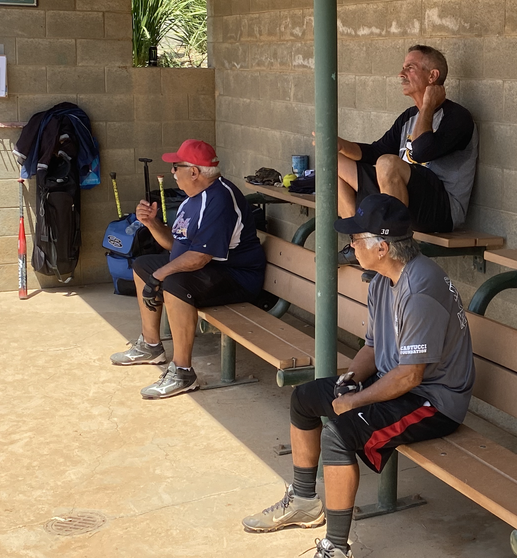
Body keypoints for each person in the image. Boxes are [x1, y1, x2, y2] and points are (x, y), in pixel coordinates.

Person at [242, 194, 475, 558]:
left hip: (432, 401)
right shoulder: (384, 278)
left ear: (382, 247)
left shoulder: (420, 290)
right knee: (305, 399)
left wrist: (356, 399)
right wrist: (351, 377)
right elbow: (371, 346)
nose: (350, 245)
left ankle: (335, 548)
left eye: (357, 239)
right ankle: (304, 500)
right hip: (398, 382)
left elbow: (410, 377)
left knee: (339, 430)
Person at [109, 139, 266, 400]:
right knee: (143, 265)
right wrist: (151, 223)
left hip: (238, 277)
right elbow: (176, 245)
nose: (172, 171)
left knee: (175, 284)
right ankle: (150, 346)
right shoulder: (192, 198)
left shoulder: (220, 198)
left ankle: (183, 372)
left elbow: (200, 258)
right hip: (212, 269)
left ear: (194, 172)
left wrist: (160, 276)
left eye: (176, 166)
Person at [337, 45, 478, 263]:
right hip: (404, 197)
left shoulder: (458, 118)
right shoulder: (408, 117)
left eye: (410, 68)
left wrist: (428, 105)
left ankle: (395, 252)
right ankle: (361, 243)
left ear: (433, 76)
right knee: (334, 162)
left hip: (443, 210)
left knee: (388, 164)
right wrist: (337, 145)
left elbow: (421, 151)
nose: (401, 74)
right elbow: (376, 151)